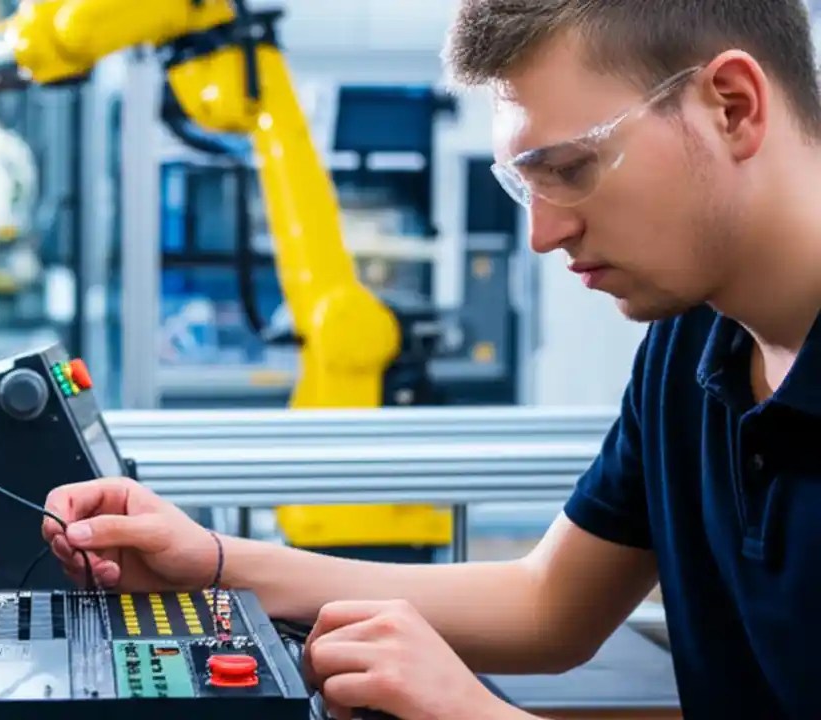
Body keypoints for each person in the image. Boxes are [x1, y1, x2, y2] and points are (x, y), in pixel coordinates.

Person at [42, 0, 821, 717]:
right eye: (526, 186)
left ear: (733, 107)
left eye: (572, 169)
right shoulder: (688, 346)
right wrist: (209, 565)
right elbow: (549, 606)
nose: (542, 235)